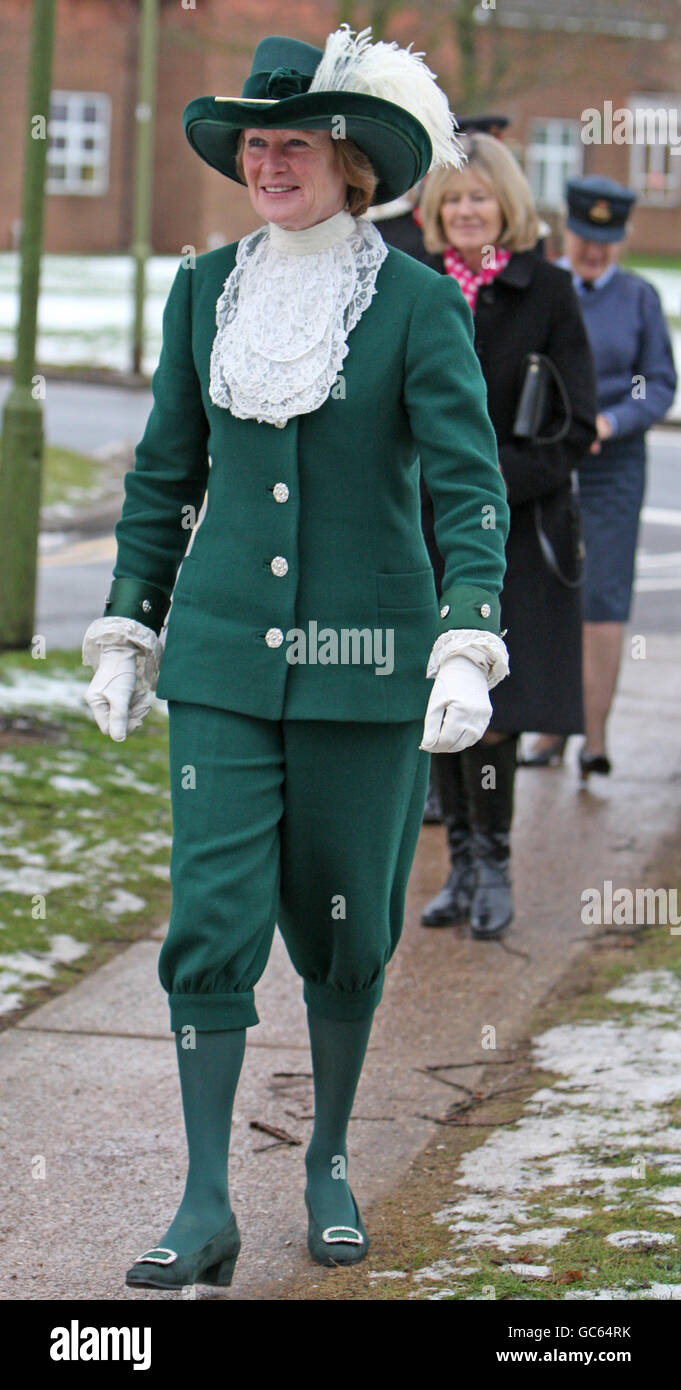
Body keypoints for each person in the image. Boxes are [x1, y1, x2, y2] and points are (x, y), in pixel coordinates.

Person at [80, 26, 510, 1290]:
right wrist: (128, 624)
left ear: (349, 162)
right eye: (256, 144)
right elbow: (165, 474)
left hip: (366, 663)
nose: (269, 162)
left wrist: (465, 642)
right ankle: (205, 1198)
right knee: (210, 919)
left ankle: (325, 1157)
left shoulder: (420, 304)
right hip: (218, 662)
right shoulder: (205, 291)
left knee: (345, 923)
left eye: (294, 144)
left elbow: (471, 490)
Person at [418, 133, 597, 938]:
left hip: (515, 530)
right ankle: (457, 863)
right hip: (421, 526)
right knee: (437, 700)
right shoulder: (414, 286)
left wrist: (485, 483)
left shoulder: (549, 291)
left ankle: (493, 866)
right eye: (452, 198)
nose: (464, 211)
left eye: (478, 197)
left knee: (491, 706)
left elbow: (575, 425)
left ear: (506, 206)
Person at [524, 175, 677, 778]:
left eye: (606, 241)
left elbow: (658, 383)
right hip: (550, 460)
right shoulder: (549, 288)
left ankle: (594, 734)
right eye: (586, 236)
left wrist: (611, 420)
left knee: (603, 598)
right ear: (568, 228)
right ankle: (547, 731)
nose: (594, 250)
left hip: (613, 463)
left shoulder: (638, 299)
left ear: (623, 238)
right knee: (546, 590)